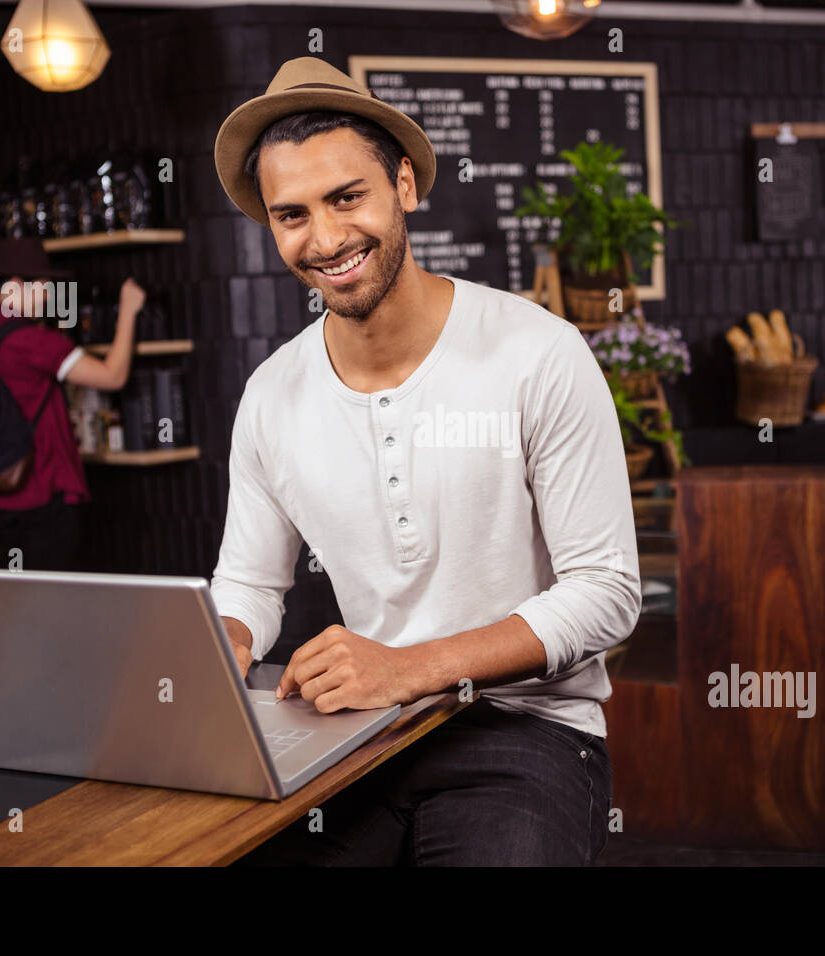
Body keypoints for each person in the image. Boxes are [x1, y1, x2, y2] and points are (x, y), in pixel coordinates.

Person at [209, 57, 641, 865]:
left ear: (403, 184)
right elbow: (250, 583)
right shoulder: (272, 394)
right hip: (362, 739)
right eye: (292, 214)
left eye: (348, 198)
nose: (327, 238)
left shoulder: (537, 353)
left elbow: (608, 594)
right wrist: (224, 641)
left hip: (527, 733)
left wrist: (407, 669)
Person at [0, 238, 145, 571]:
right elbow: (113, 376)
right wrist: (128, 309)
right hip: (43, 494)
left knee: (15, 604)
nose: (50, 296)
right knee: (54, 604)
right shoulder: (31, 341)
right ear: (14, 286)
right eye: (44, 286)